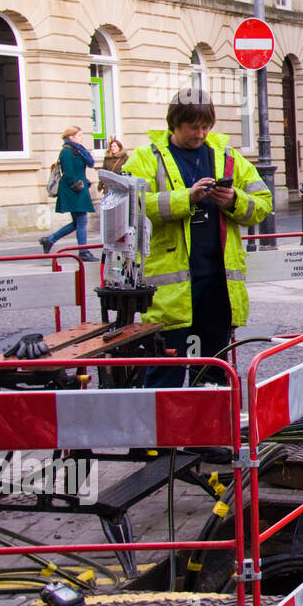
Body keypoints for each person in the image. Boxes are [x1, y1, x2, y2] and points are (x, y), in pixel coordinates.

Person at [123, 88, 272, 386]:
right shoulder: (145, 157)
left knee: (214, 371)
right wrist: (186, 198)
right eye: (193, 127)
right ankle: (166, 431)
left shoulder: (228, 157)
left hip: (218, 286)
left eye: (206, 127)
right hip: (170, 292)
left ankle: (212, 428)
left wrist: (232, 200)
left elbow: (263, 204)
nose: (201, 134)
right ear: (174, 124)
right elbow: (133, 207)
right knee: (166, 370)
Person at [40, 126, 98, 261]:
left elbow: (90, 163)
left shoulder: (79, 150)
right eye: (79, 135)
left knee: (78, 222)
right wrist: (77, 185)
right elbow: (69, 173)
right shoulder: (66, 151)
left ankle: (49, 239)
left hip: (79, 189)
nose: (81, 138)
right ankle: (83, 251)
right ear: (71, 137)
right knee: (82, 221)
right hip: (73, 190)